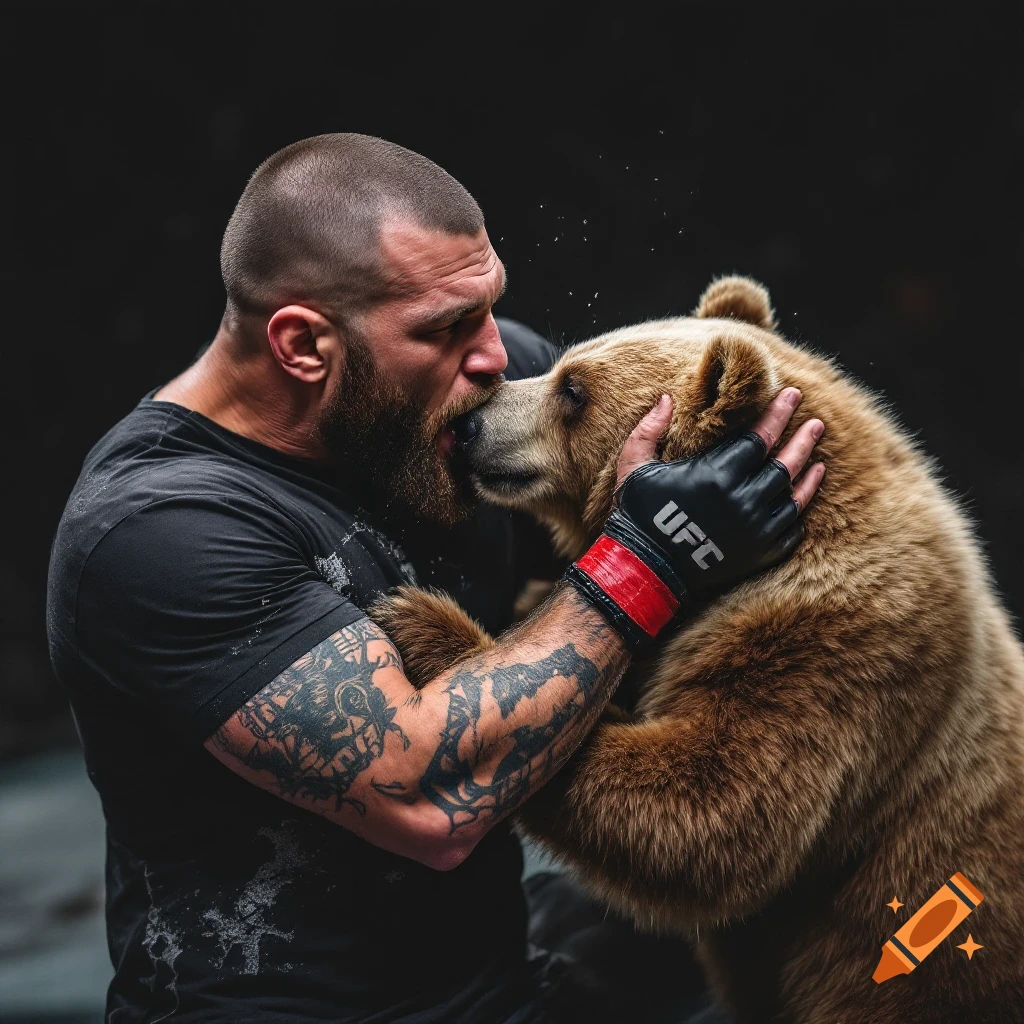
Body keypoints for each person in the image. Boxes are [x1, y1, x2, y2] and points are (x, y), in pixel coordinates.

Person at [46, 134, 826, 1024]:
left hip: (504, 983)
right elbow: (428, 798)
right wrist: (651, 556)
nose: (494, 355)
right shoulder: (157, 529)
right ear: (303, 345)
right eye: (445, 327)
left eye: (488, 307)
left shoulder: (452, 397)